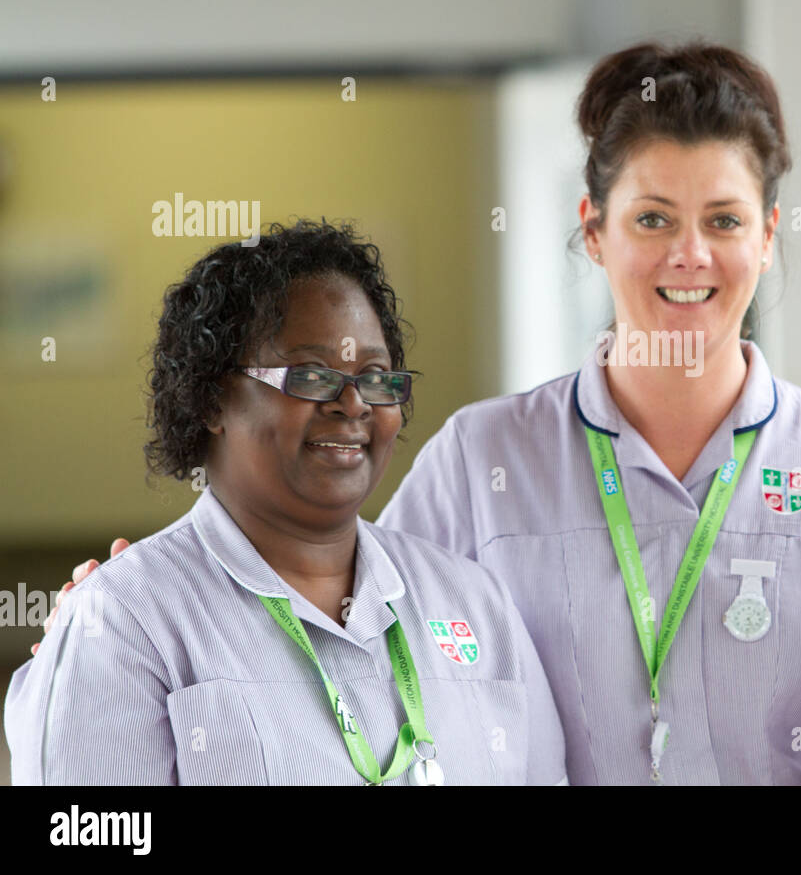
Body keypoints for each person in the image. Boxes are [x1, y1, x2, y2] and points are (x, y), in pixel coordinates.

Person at [36, 42, 801, 785]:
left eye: (723, 220)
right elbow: (339, 612)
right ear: (593, 230)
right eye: (651, 219)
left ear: (767, 234)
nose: (689, 256)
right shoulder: (485, 455)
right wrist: (137, 607)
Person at [6, 221, 566, 785]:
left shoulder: (473, 602)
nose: (353, 404)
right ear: (212, 398)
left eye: (375, 377)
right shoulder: (128, 620)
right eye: (311, 376)